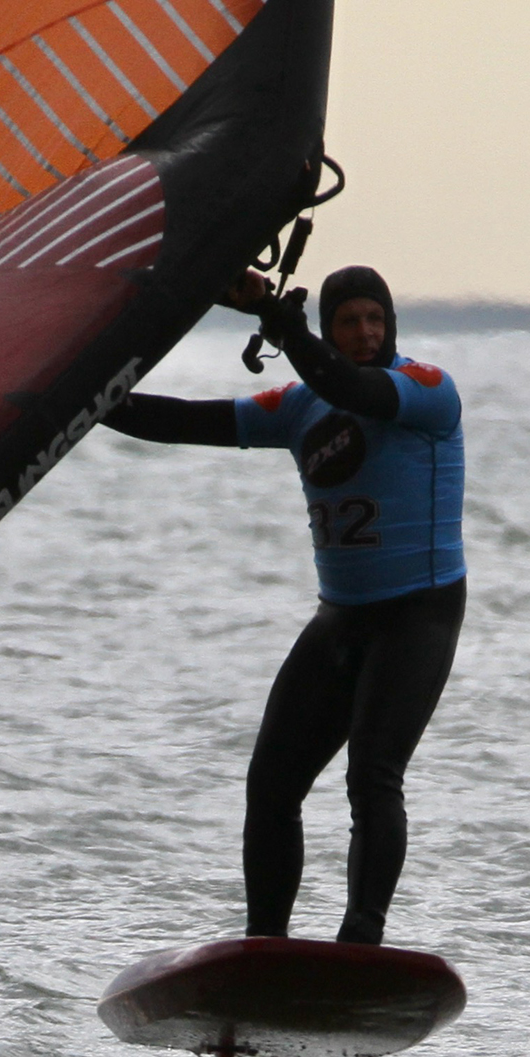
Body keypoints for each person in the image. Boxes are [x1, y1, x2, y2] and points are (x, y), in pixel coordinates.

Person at [105, 265, 466, 946]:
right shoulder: (301, 406)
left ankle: (360, 942)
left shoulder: (425, 390)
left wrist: (281, 323)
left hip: (418, 614)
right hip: (341, 617)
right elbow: (184, 421)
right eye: (349, 321)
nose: (365, 333)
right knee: (271, 784)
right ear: (329, 328)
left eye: (375, 319)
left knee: (372, 776)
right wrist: (90, 396)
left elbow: (350, 387)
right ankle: (265, 946)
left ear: (391, 326)